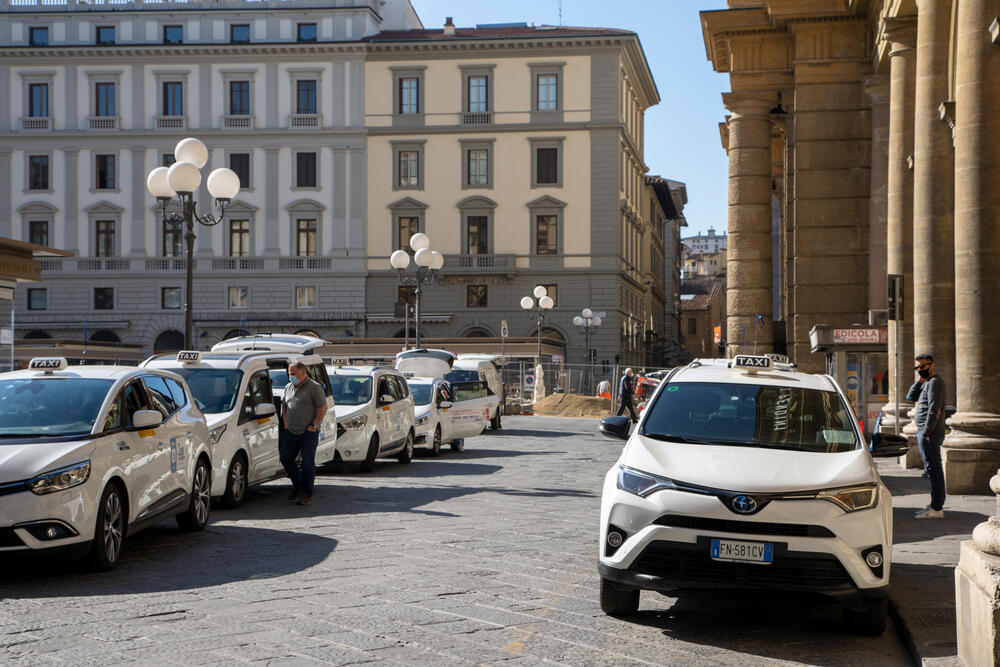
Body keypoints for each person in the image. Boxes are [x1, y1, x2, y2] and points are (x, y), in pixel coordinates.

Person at [280, 362, 328, 506]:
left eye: (293, 374)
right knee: (285, 458)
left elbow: (323, 407)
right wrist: (286, 425)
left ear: (303, 373)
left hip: (308, 432)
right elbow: (284, 406)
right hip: (291, 431)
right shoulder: (288, 387)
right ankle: (299, 484)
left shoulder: (314, 387)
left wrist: (314, 425)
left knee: (307, 463)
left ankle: (306, 493)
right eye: (289, 373)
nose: (290, 376)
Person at [906, 353, 946, 519]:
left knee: (933, 469)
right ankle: (934, 505)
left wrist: (928, 432)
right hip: (924, 431)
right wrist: (920, 380)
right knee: (931, 468)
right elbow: (910, 397)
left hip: (929, 432)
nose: (920, 370)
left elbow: (934, 409)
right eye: (917, 367)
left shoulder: (935, 383)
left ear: (932, 365)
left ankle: (936, 508)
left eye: (923, 366)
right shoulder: (927, 383)